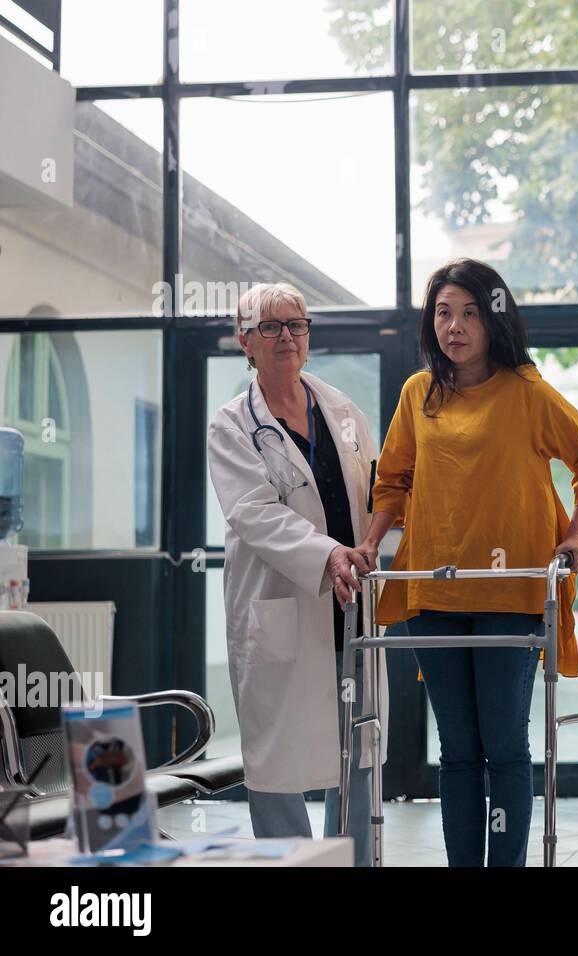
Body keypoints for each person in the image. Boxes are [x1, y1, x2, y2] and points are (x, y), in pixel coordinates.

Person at [360, 258, 578, 867]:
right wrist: (370, 544)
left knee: (504, 746)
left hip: (513, 591)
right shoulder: (417, 394)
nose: (455, 326)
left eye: (470, 312)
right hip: (434, 592)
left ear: (493, 318)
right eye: (444, 313)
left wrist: (576, 536)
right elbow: (392, 480)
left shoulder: (525, 390)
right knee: (458, 751)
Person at [207, 282, 386, 867]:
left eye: (296, 325)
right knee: (278, 764)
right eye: (270, 327)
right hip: (284, 604)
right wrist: (328, 554)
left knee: (357, 754)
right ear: (245, 343)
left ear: (308, 338)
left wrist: (369, 548)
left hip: (352, 606)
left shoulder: (343, 411)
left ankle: (355, 863)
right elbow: (254, 513)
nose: (286, 336)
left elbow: (378, 491)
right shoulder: (232, 425)